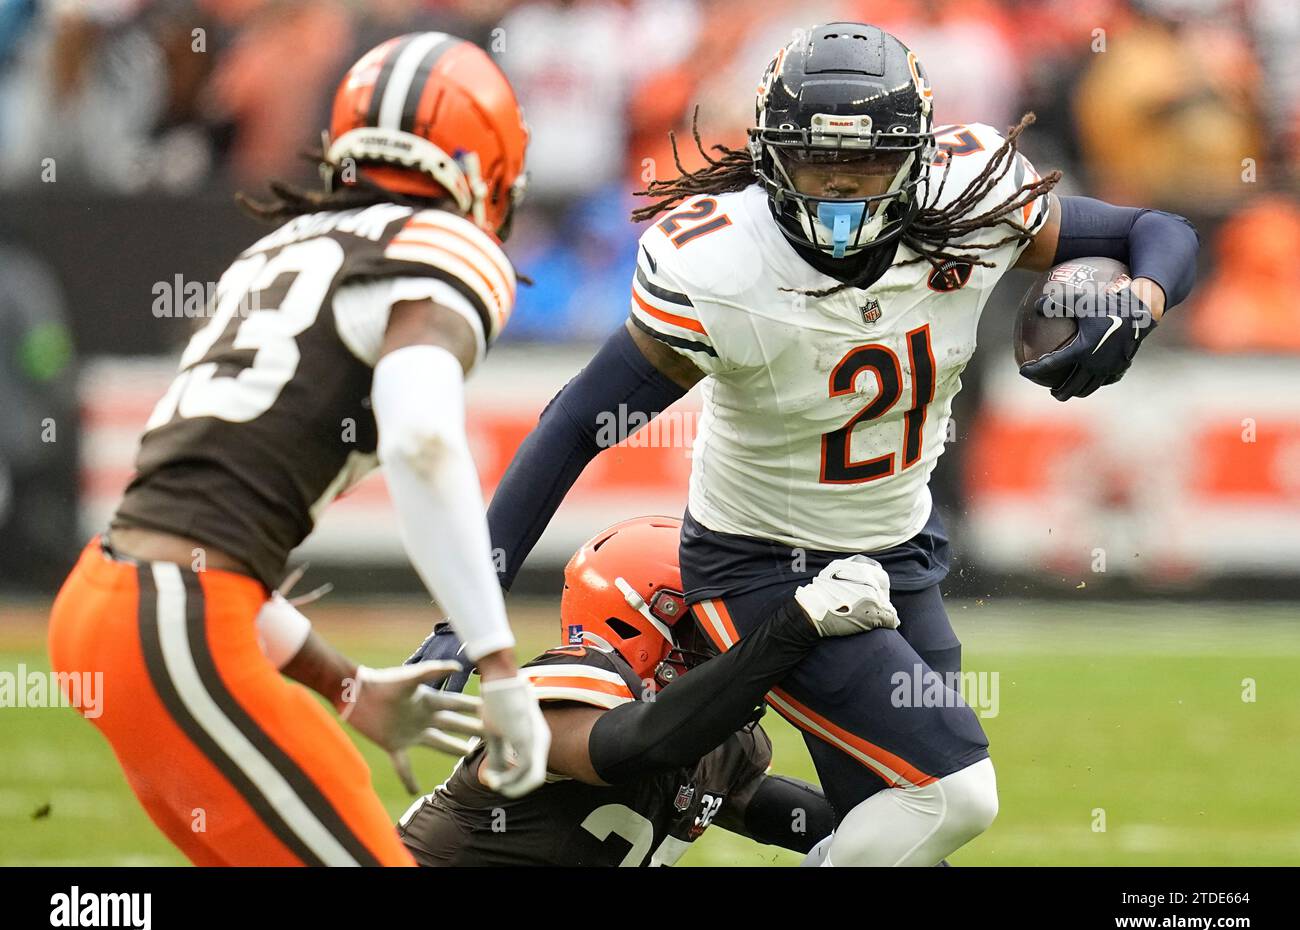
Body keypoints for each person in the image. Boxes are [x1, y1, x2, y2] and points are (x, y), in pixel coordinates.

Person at [472, 22, 1200, 865]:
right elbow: (575, 424)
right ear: (770, 156)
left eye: (868, 163)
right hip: (759, 565)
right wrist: (471, 612)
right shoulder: (720, 263)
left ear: (918, 159)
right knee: (954, 794)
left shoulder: (970, 203)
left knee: (898, 834)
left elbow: (1161, 230)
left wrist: (1140, 302)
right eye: (817, 161)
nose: (842, 186)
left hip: (902, 553)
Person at [47, 32, 550, 867]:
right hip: (178, 616)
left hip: (107, 600)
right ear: (481, 164)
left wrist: (345, 686)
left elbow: (193, 514)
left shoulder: (278, 247)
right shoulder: (443, 244)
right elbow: (423, 439)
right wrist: (497, 661)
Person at [400, 515, 897, 866]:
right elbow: (636, 747)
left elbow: (779, 811)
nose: (723, 642)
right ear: (634, 618)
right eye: (701, 626)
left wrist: (908, 823)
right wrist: (793, 629)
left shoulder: (718, 744)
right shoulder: (568, 687)